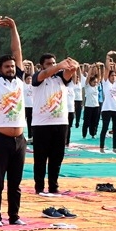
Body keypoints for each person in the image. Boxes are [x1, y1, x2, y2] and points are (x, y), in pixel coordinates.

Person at [0, 16, 27, 228]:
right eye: (7, 66)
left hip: (20, 139)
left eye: (12, 66)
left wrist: (13, 27)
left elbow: (17, 51)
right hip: (0, 138)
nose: (11, 68)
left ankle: (14, 215)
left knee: (16, 182)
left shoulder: (19, 79)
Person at [31, 52, 78, 196]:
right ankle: (39, 186)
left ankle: (53, 185)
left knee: (57, 157)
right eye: (48, 64)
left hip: (60, 122)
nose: (52, 66)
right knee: (40, 158)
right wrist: (58, 66)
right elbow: (44, 74)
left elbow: (70, 72)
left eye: (53, 63)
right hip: (41, 124)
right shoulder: (37, 78)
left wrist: (72, 65)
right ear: (41, 66)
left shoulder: (60, 79)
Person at [99, 52, 116, 154]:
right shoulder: (105, 82)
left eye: (115, 75)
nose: (113, 76)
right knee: (105, 128)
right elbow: (107, 69)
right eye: (112, 75)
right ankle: (102, 147)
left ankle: (114, 148)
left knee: (115, 129)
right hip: (106, 109)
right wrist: (107, 57)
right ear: (108, 76)